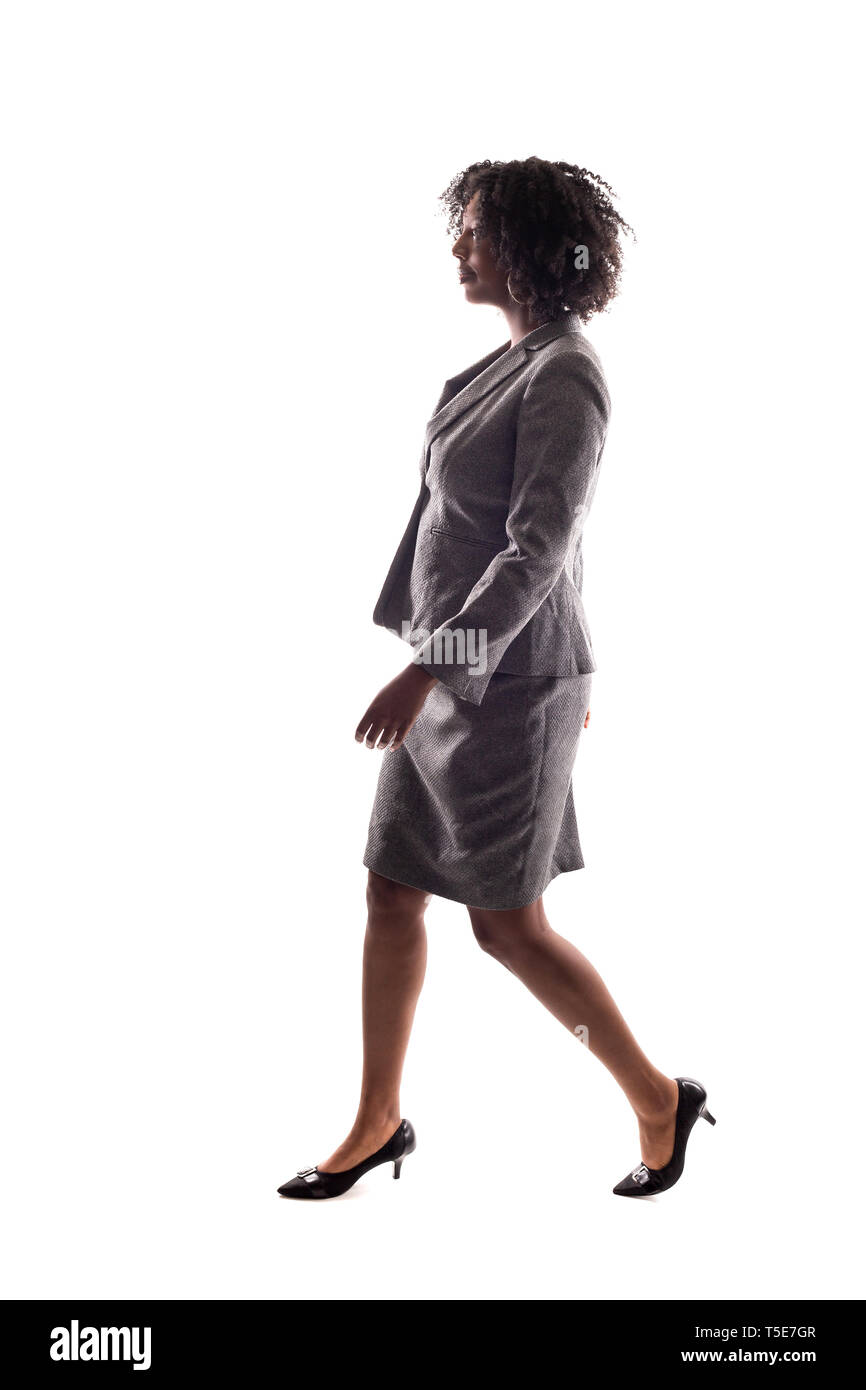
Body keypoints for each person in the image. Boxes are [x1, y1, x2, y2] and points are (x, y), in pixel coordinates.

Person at [278, 157, 714, 1202]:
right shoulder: (503, 364)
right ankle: (378, 1118)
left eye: (471, 228)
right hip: (459, 671)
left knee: (504, 926)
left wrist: (430, 668)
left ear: (519, 244)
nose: (456, 244)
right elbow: (506, 536)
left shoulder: (566, 371)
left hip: (497, 688)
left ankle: (657, 1098)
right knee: (390, 889)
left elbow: (537, 548)